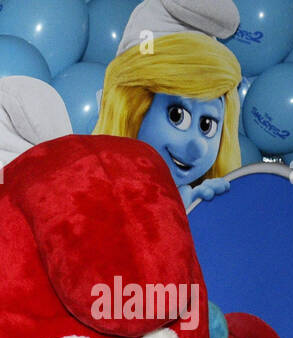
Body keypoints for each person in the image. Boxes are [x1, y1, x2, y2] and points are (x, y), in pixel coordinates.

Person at [92, 0, 243, 206]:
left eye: (207, 125)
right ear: (133, 108)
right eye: (177, 116)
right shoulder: (91, 184)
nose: (197, 147)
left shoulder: (198, 201)